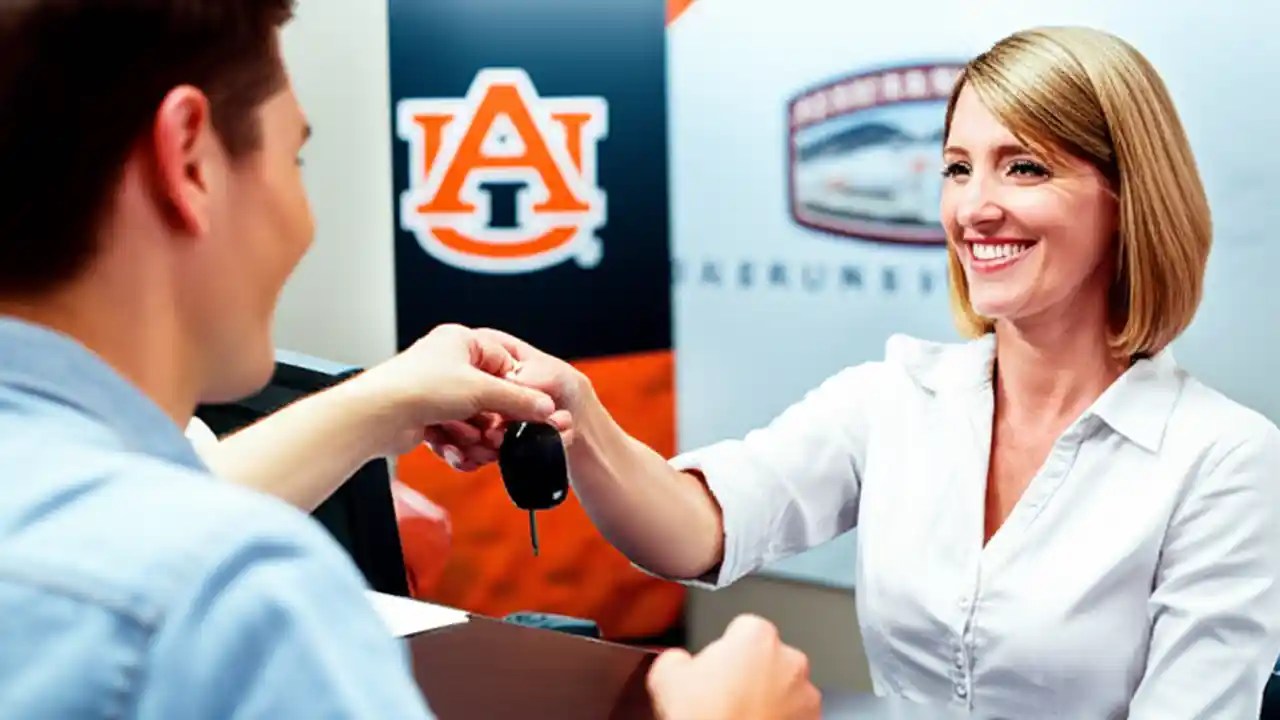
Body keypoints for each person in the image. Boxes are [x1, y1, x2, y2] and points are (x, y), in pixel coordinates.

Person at [0, 2, 820, 719]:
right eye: (295, 159)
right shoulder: (240, 603)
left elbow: (154, 511)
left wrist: (379, 401)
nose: (306, 221)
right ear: (189, 160)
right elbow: (173, 546)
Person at [434, 26, 1280, 718]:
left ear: (1130, 195)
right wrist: (578, 412)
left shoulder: (1225, 461)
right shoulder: (896, 398)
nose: (974, 205)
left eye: (1025, 166)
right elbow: (694, 532)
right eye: (958, 166)